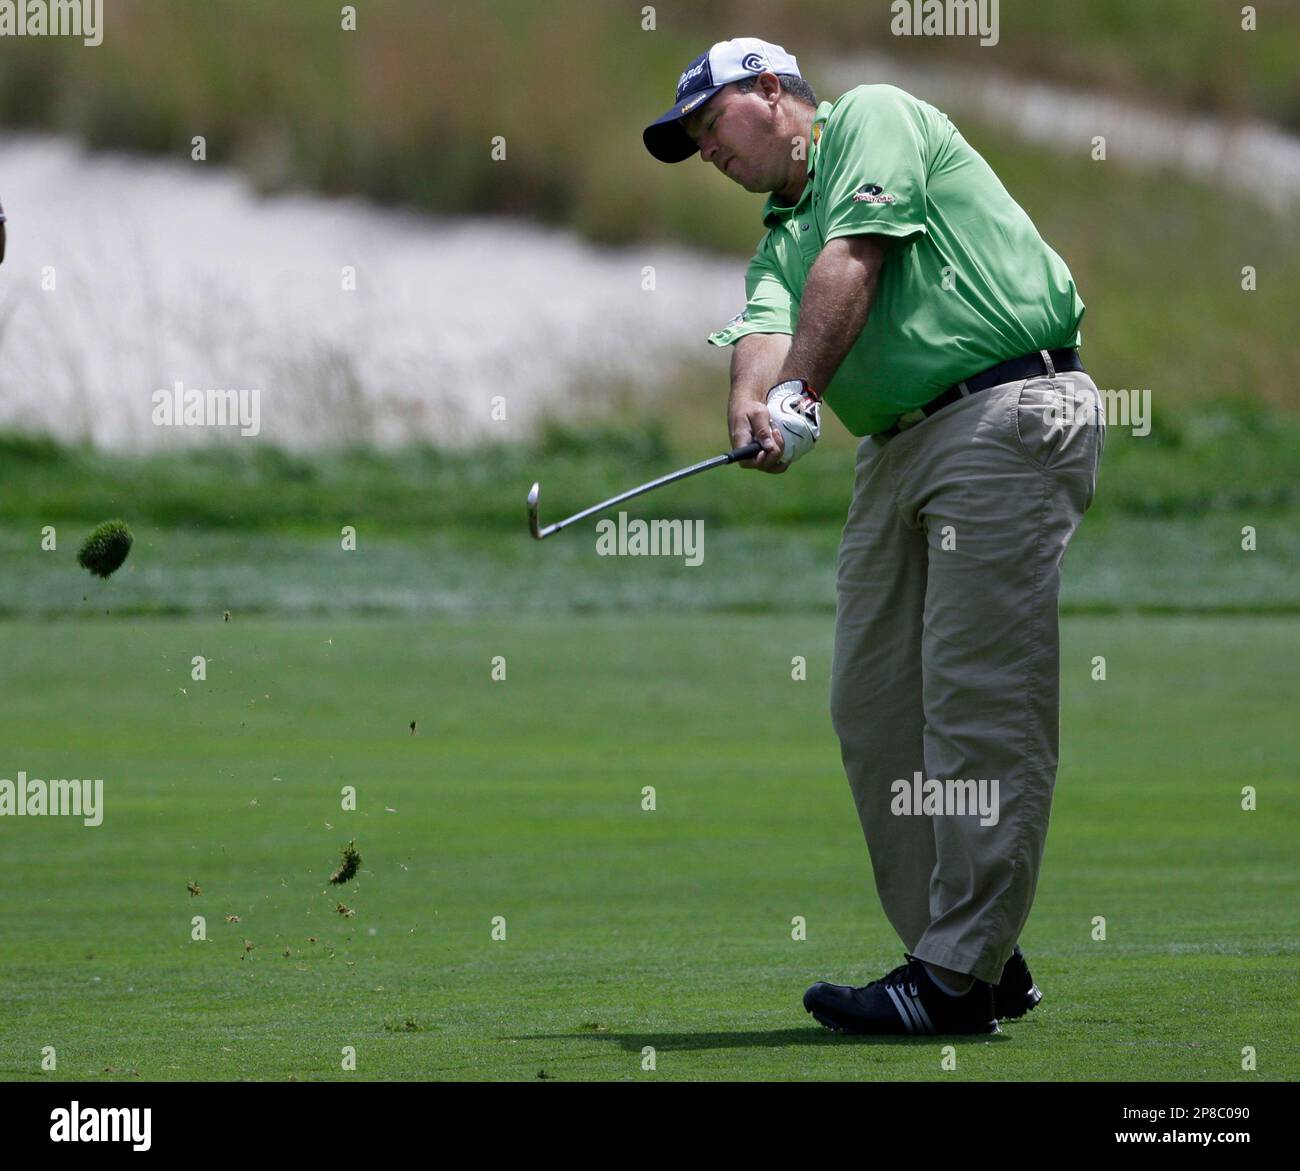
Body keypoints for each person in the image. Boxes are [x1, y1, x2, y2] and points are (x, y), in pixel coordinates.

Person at [644, 38, 1104, 1035]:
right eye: (688, 142)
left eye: (708, 124)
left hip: (1004, 410)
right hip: (897, 450)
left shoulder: (874, 119)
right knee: (871, 704)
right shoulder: (781, 232)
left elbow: (858, 256)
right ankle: (974, 955)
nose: (703, 151)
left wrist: (805, 387)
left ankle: (948, 979)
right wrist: (755, 410)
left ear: (770, 90)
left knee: (976, 699)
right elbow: (764, 327)